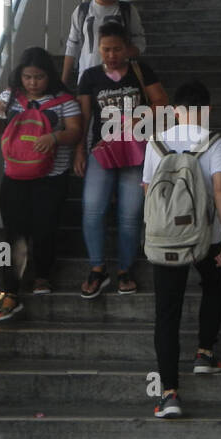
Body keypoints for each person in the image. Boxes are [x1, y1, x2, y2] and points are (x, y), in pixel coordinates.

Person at [141, 80, 221, 419]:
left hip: (166, 240)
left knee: (167, 313)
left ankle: (168, 394)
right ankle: (204, 353)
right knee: (213, 286)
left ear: (174, 111)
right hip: (205, 237)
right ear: (206, 110)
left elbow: (149, 190)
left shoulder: (156, 142)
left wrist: (156, 232)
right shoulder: (216, 143)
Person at [0, 47, 83, 319]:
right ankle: (9, 288)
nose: (32, 82)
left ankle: (42, 275)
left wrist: (55, 137)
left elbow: (76, 131)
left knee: (45, 228)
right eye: (27, 77)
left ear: (49, 75)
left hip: (52, 177)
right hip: (14, 177)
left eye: (38, 77)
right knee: (10, 235)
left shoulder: (64, 100)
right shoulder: (9, 97)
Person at [73, 21, 169, 297]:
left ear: (127, 48)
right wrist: (80, 150)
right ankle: (97, 268)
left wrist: (138, 117)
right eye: (105, 50)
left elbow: (162, 103)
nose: (111, 55)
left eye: (116, 49)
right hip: (101, 152)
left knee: (130, 214)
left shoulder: (141, 70)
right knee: (93, 209)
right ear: (98, 49)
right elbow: (84, 117)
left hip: (135, 152)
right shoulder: (90, 76)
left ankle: (125, 269)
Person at [60, 0, 146, 87]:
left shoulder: (126, 11)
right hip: (87, 77)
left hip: (119, 78)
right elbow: (72, 47)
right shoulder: (82, 11)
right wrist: (63, 82)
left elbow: (140, 42)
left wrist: (121, 55)